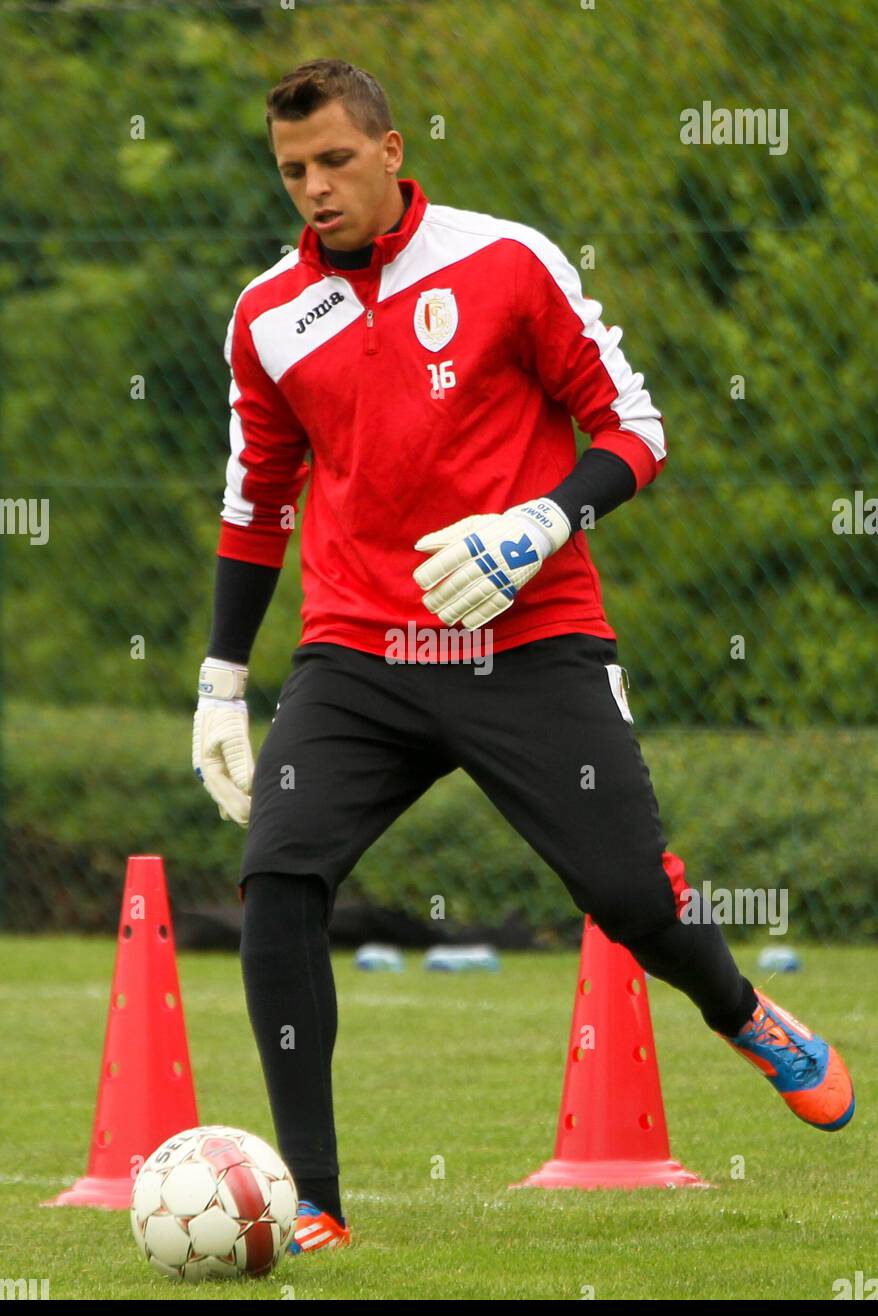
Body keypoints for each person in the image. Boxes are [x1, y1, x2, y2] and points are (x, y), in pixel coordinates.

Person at [192, 59, 854, 1255]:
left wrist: (539, 524)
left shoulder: (504, 261)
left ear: (392, 150)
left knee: (622, 896)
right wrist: (221, 681)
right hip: (358, 648)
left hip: (529, 635)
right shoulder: (265, 317)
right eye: (292, 170)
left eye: (336, 159)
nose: (314, 188)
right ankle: (317, 1200)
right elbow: (257, 501)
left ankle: (739, 1008)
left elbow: (634, 428)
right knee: (277, 878)